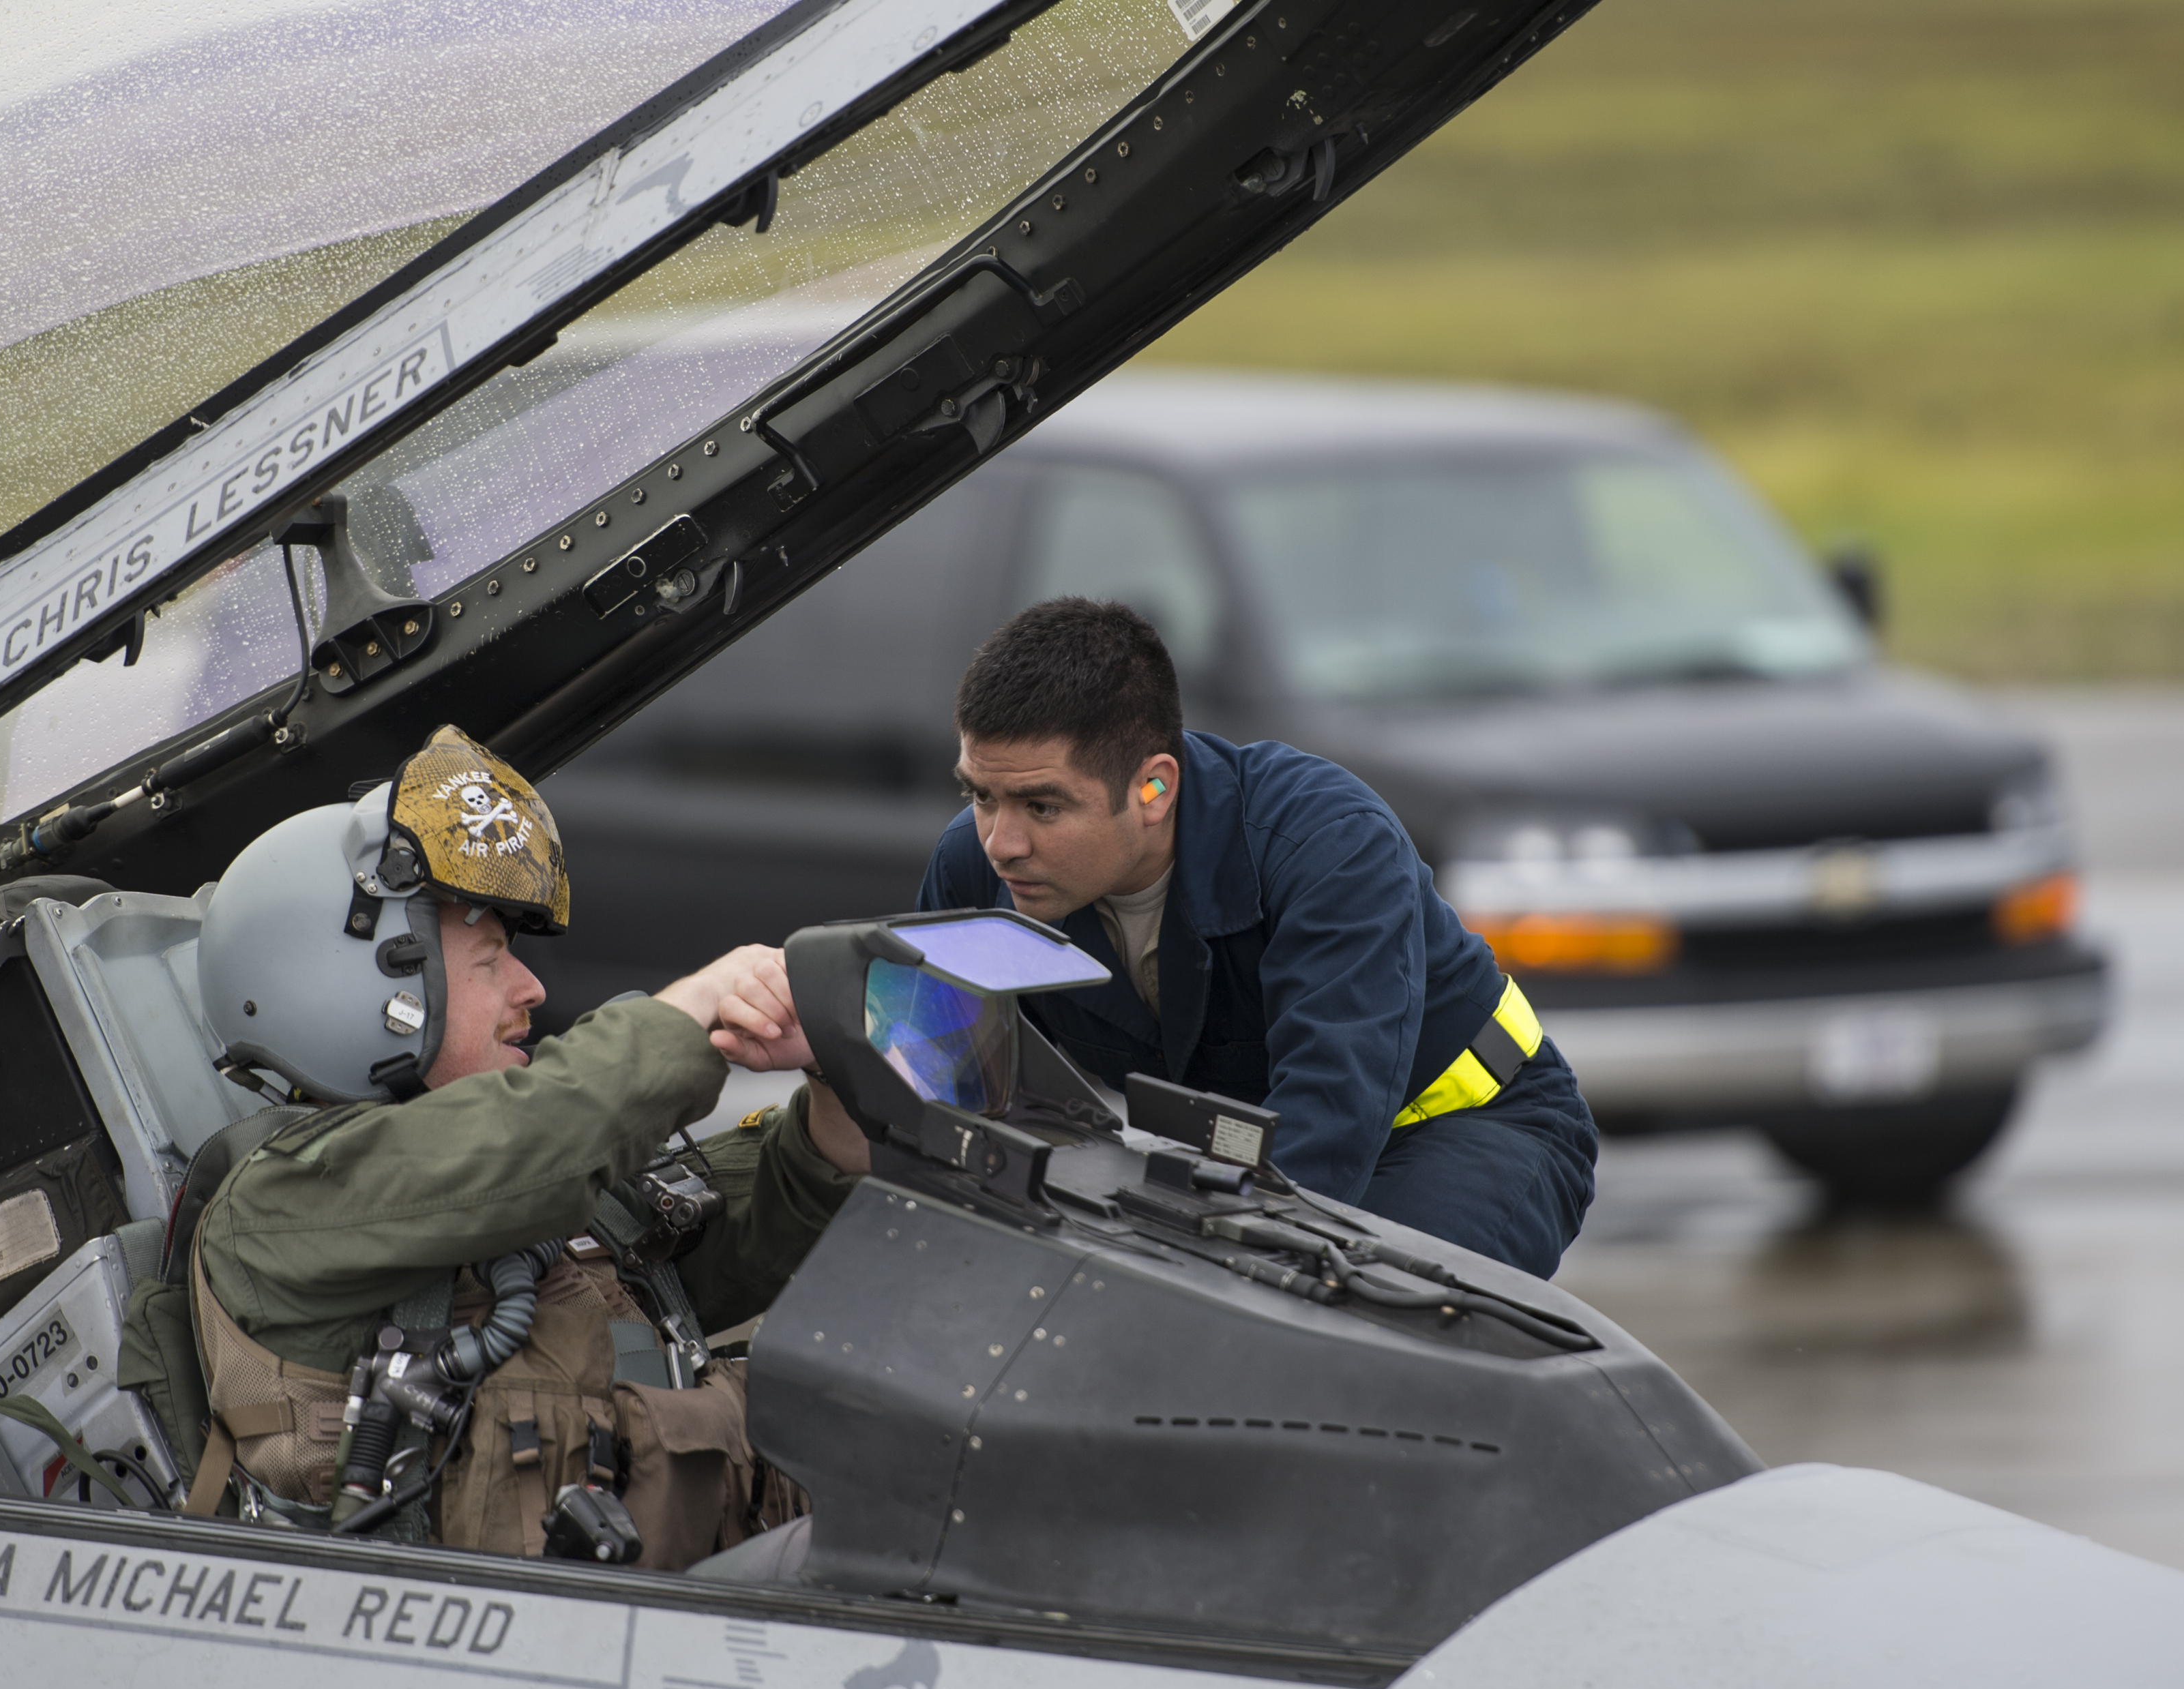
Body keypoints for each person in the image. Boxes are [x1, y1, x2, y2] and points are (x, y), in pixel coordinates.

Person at [117, 725, 865, 1567]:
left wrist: (838, 1076)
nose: (532, 989)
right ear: (356, 984)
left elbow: (744, 1236)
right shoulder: (281, 1206)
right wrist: (692, 1007)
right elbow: (541, 1134)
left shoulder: (524, 1172)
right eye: (488, 962)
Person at [914, 599, 1597, 1277]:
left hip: (1470, 1124)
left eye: (1042, 806)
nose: (1002, 843)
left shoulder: (1326, 842)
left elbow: (1325, 1124)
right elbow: (941, 1094)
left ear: (1154, 786)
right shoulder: (972, 869)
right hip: (1243, 1153)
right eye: (979, 797)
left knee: (1357, 1319)